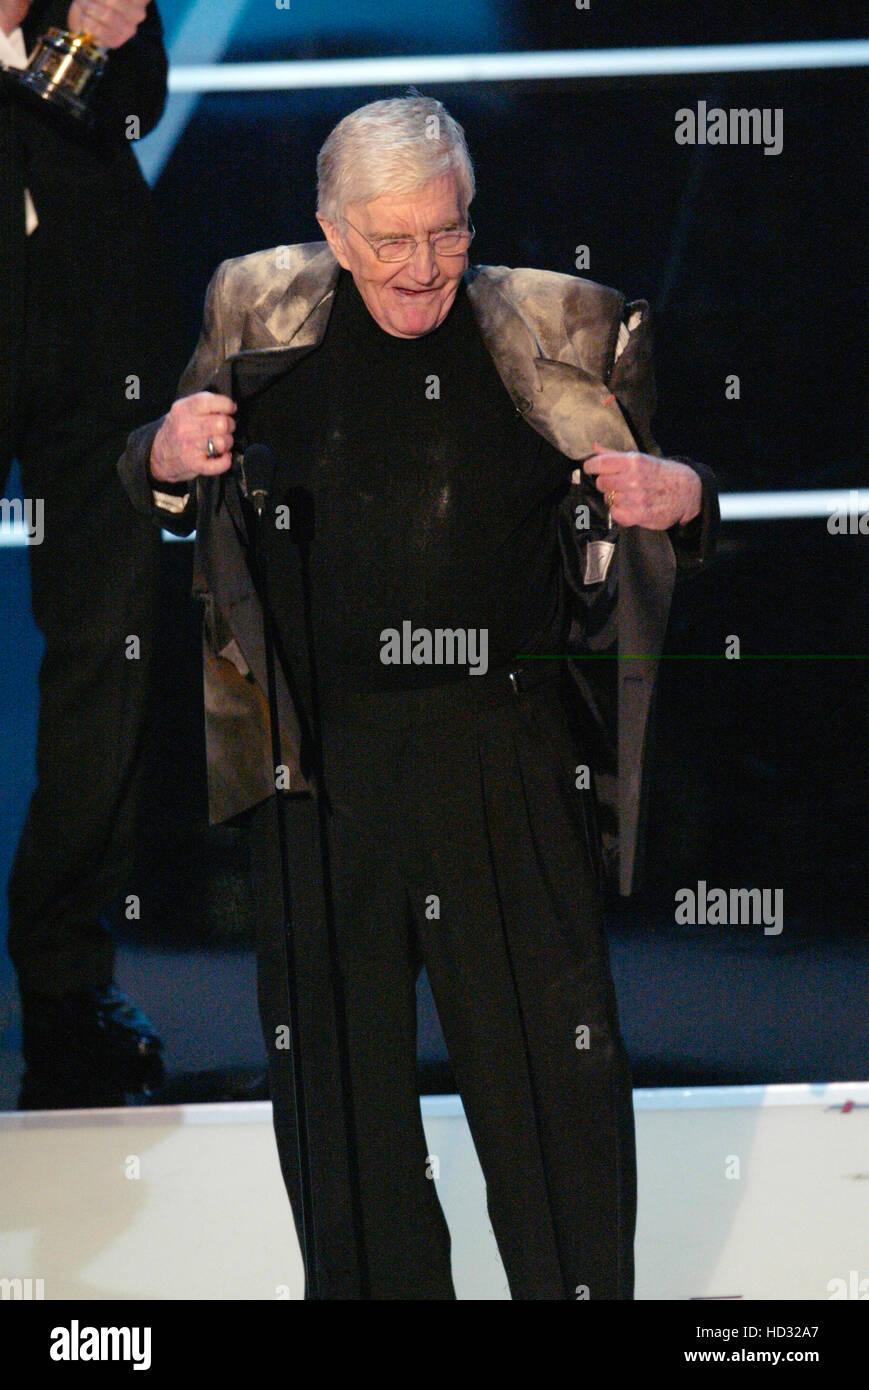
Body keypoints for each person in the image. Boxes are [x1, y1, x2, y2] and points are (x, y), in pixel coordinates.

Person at [118, 95, 719, 1299]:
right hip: (318, 766)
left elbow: (669, 500)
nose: (421, 266)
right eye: (388, 239)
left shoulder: (569, 322)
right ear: (333, 232)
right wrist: (161, 460)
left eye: (444, 232)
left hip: (502, 755)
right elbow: (163, 462)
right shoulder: (252, 305)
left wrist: (685, 496)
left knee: (554, 1094)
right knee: (341, 1114)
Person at [1, 0, 180, 1107]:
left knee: (104, 663)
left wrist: (109, 34)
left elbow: (138, 105)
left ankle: (69, 985)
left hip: (98, 340)